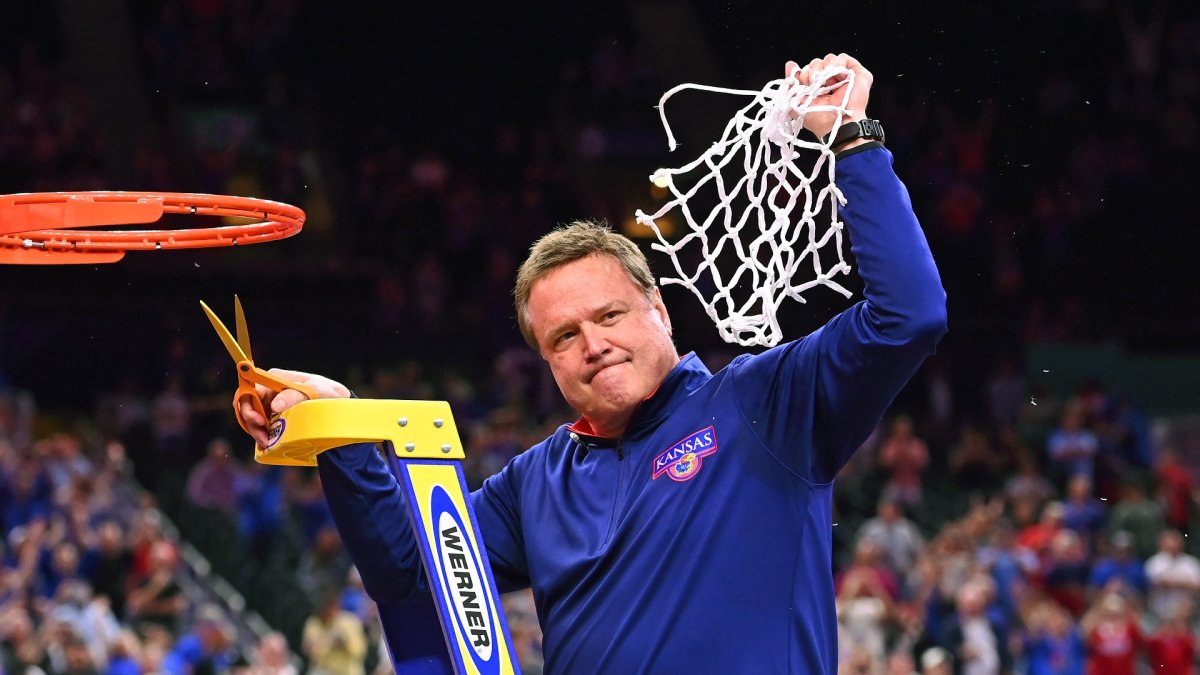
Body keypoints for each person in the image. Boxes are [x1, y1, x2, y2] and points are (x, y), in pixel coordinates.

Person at [235, 53, 946, 673]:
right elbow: (408, 571)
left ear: (659, 311)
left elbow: (909, 314)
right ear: (545, 359)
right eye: (564, 335)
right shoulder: (535, 482)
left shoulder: (764, 401)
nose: (593, 343)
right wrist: (338, 420)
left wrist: (854, 140)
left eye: (608, 316)